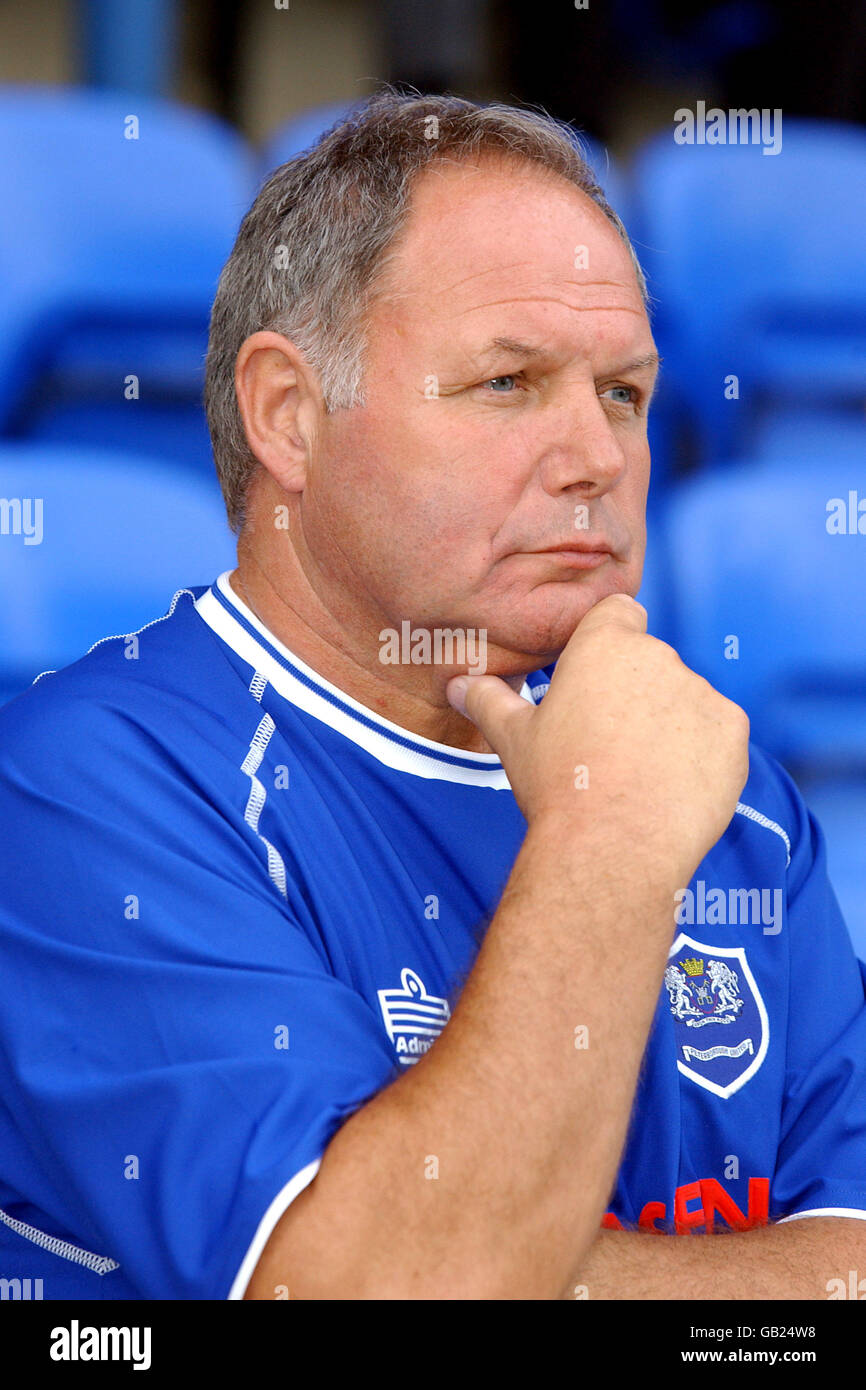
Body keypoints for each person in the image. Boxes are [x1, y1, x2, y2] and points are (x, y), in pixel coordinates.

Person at [1, 90, 864, 1302]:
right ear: (289, 418)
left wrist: (527, 1261)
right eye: (508, 382)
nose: (598, 460)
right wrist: (605, 842)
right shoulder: (81, 787)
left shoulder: (731, 800)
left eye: (623, 393)